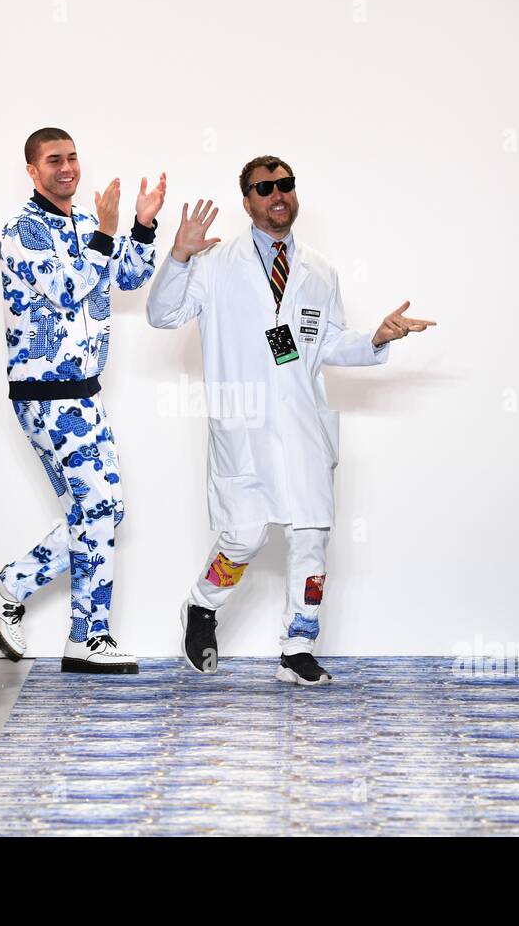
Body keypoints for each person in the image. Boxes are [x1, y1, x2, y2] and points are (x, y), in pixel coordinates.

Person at [147, 155, 433, 686]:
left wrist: (376, 338)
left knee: (310, 539)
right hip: (244, 423)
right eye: (265, 188)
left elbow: (326, 343)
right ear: (248, 202)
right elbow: (162, 315)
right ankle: (203, 606)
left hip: (303, 424)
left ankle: (297, 647)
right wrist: (180, 256)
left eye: (286, 185)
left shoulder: (319, 271)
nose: (278, 194)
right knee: (245, 536)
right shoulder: (212, 264)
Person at [0, 127, 166, 673]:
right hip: (46, 394)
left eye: (73, 157)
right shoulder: (20, 231)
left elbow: (128, 277)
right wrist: (107, 231)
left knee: (103, 508)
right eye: (54, 160)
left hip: (85, 392)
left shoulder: (84, 223)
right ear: (32, 170)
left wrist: (143, 225)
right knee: (99, 508)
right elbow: (66, 289)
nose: (67, 168)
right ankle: (84, 632)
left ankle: (13, 592)